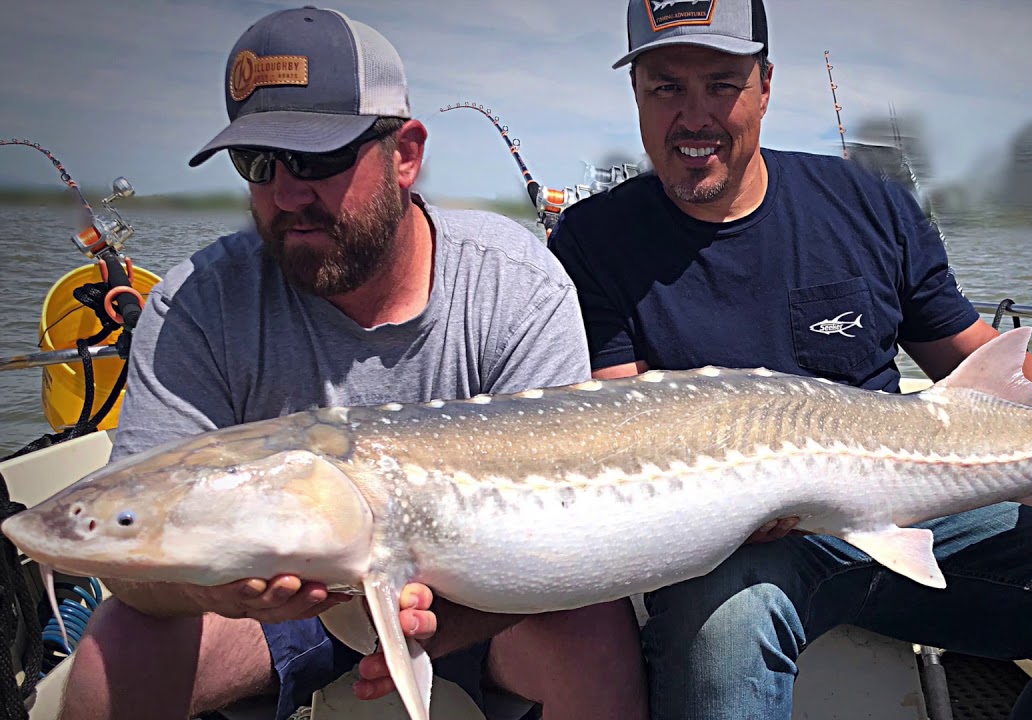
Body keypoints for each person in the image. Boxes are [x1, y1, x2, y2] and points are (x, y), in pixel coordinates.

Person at [539, 0, 1032, 718]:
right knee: (724, 631)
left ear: (765, 87)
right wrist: (737, 503)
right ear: (636, 93)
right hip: (739, 548)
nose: (693, 117)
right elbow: (620, 422)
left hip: (925, 505)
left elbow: (975, 358)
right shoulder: (593, 239)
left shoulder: (868, 206)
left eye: (721, 85)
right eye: (665, 87)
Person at [59, 7, 646, 720]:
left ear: (405, 154)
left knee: (592, 629)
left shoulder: (515, 285)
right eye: (258, 163)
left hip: (479, 597)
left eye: (318, 158)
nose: (287, 194)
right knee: (115, 652)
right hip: (273, 605)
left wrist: (445, 619)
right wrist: (205, 588)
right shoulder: (196, 304)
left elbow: (562, 529)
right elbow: (128, 556)